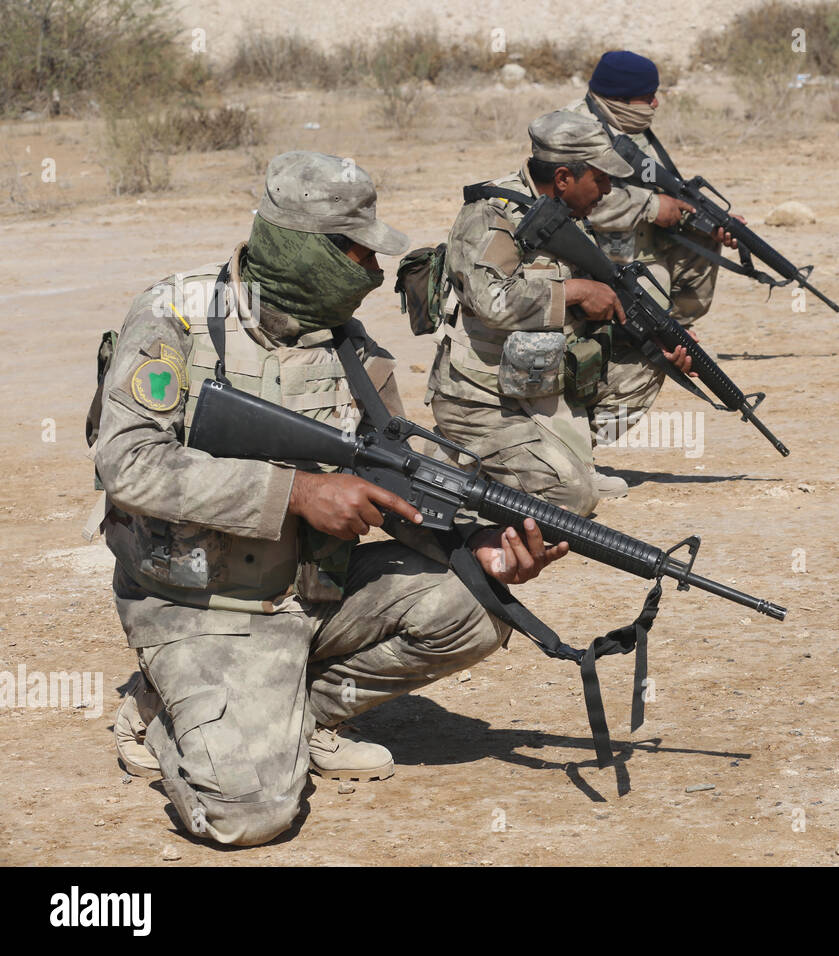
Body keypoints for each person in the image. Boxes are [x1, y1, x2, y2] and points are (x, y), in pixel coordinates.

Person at [97, 151, 566, 846]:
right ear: (303, 249)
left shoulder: (355, 352)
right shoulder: (179, 316)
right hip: (200, 605)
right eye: (355, 253)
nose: (374, 274)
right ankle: (160, 708)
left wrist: (481, 547)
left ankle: (298, 716)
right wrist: (297, 491)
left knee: (473, 604)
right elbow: (127, 462)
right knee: (250, 817)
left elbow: (404, 481)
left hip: (310, 593)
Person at [427, 110, 695, 517]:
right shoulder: (491, 213)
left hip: (540, 383)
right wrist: (574, 291)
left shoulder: (569, 215)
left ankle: (570, 458)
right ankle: (450, 454)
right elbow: (491, 301)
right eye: (600, 178)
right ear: (565, 178)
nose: (607, 190)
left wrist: (654, 338)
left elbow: (592, 308)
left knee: (648, 358)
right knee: (574, 501)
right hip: (482, 398)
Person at [565, 51, 741, 466]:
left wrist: (701, 220)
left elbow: (663, 193)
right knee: (650, 352)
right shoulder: (573, 131)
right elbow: (577, 203)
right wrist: (648, 206)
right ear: (622, 99)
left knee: (702, 239)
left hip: (634, 248)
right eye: (647, 97)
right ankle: (573, 452)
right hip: (594, 258)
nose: (656, 105)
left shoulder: (629, 127)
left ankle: (670, 326)